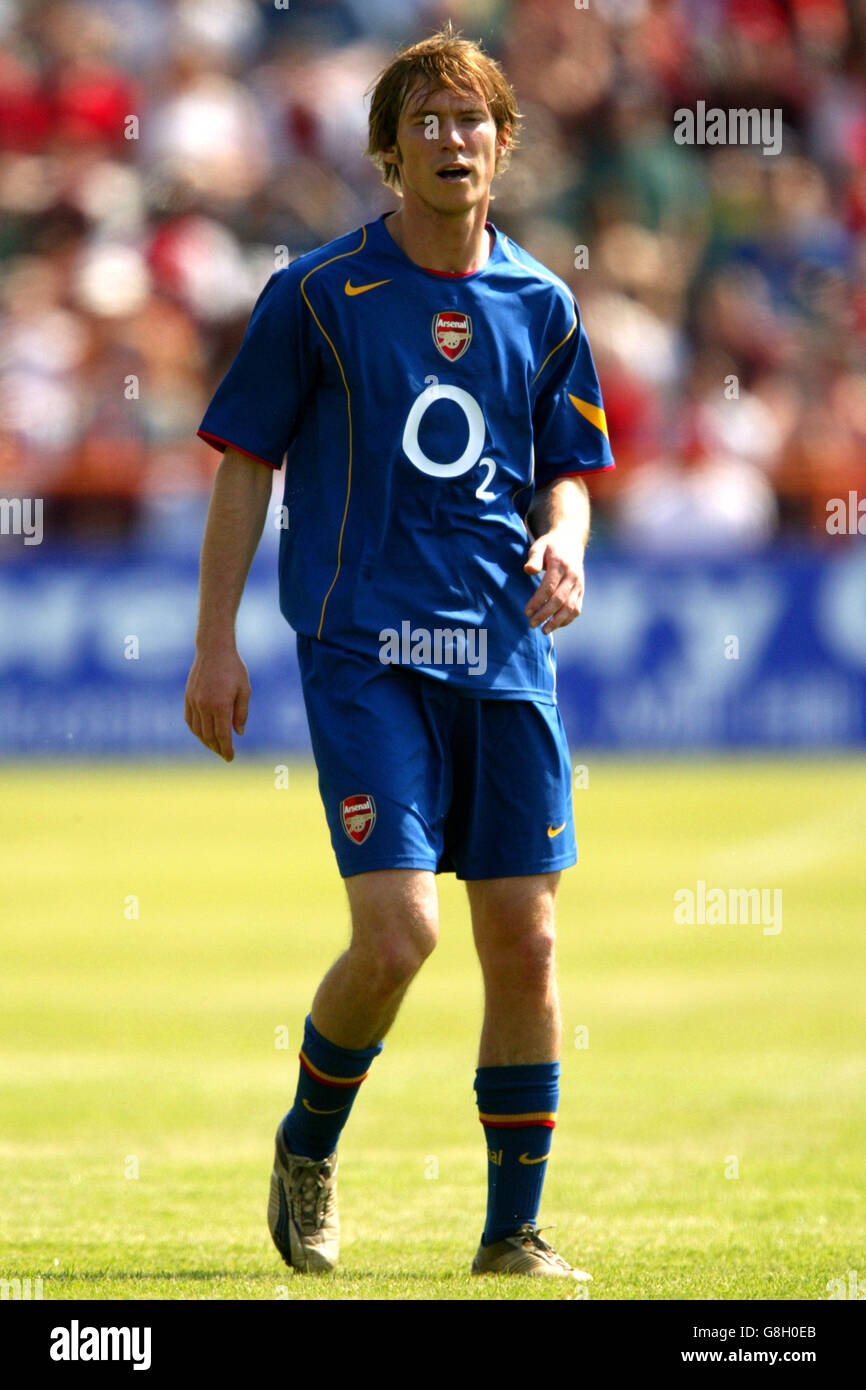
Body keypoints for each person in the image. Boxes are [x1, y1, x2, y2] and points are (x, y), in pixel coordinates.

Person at [184, 25, 614, 1280]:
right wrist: (215, 642)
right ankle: (309, 1147)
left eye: (469, 119)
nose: (448, 138)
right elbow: (243, 467)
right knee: (397, 938)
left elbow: (570, 473)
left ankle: (510, 1233)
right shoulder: (316, 294)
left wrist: (565, 544)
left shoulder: (542, 301)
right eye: (422, 121)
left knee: (525, 943)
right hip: (364, 650)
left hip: (501, 655)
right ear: (386, 153)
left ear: (500, 145)